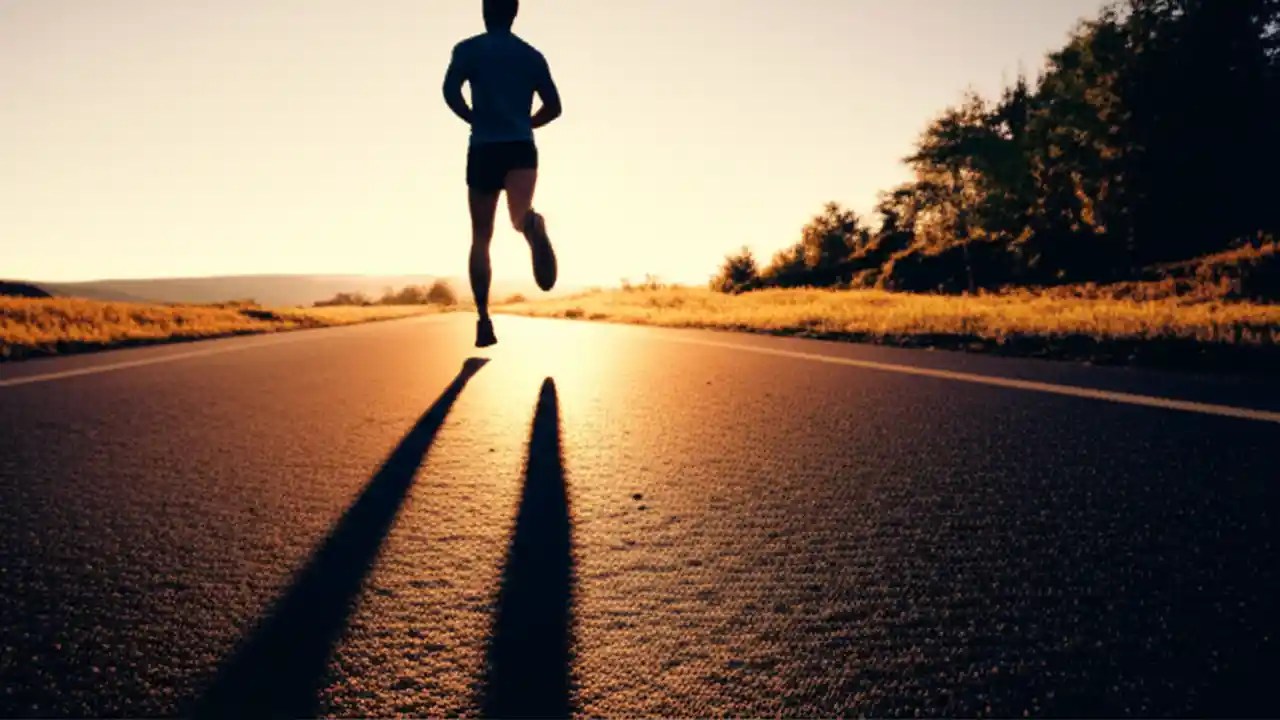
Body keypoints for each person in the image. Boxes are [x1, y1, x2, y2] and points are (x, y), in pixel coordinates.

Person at [443, 0, 562, 348]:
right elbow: (554, 106)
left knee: (481, 237)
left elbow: (450, 91)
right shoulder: (531, 55)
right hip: (521, 146)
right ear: (514, 13)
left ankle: (484, 320)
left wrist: (472, 117)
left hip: (484, 147)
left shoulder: (467, 49)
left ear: (485, 11)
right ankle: (532, 224)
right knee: (518, 216)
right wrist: (525, 123)